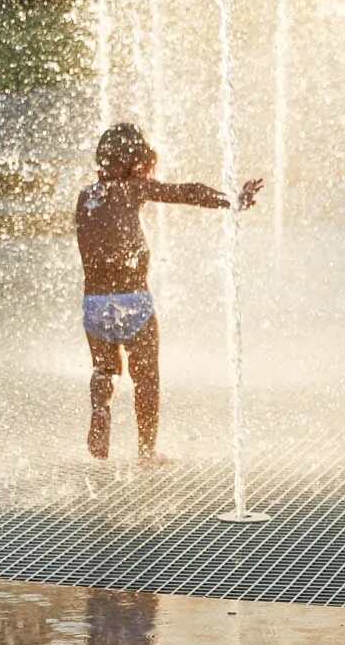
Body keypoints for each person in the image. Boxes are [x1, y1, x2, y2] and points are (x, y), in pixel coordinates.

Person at [75, 123, 261, 464]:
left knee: (104, 369)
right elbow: (187, 192)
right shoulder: (133, 189)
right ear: (137, 159)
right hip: (133, 300)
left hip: (95, 304)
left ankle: (100, 409)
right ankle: (147, 452)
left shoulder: (86, 196)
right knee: (146, 378)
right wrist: (233, 200)